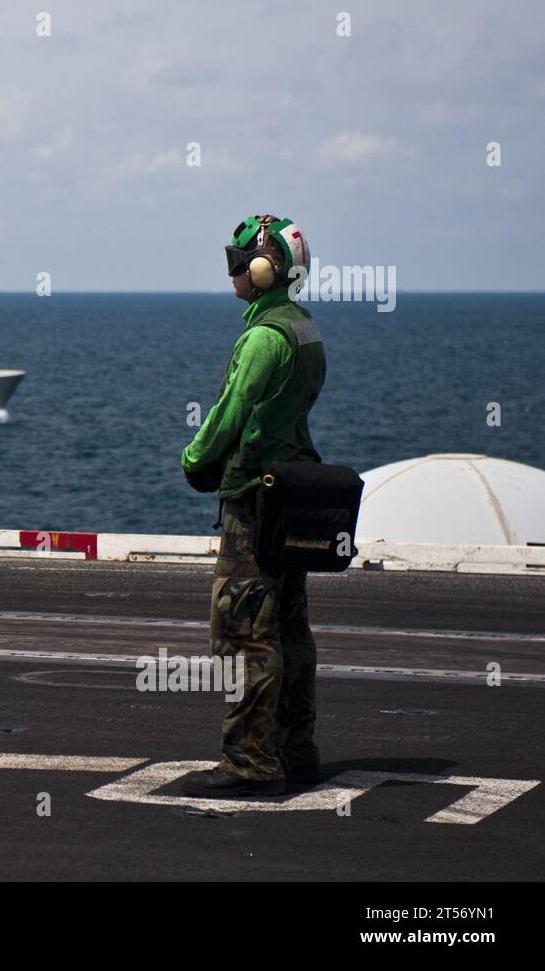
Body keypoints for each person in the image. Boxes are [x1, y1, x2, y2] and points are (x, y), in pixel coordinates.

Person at [178, 214, 325, 799]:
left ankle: (250, 760)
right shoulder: (304, 328)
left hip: (256, 498)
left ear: (265, 269)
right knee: (289, 628)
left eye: (240, 261)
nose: (234, 271)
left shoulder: (264, 337)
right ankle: (297, 750)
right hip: (293, 490)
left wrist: (195, 458)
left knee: (242, 629)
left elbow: (229, 414)